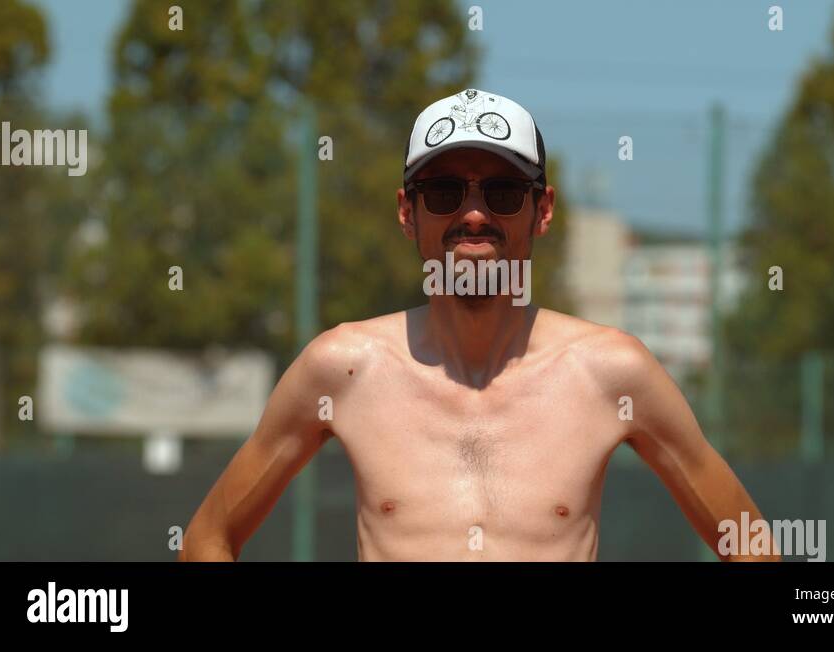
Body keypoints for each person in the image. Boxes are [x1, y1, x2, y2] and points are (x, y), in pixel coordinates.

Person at [180, 89, 775, 561]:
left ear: (542, 211)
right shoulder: (343, 369)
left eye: (503, 191)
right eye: (442, 191)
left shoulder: (612, 373)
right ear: (406, 213)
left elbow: (750, 547)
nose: (472, 213)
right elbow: (207, 539)